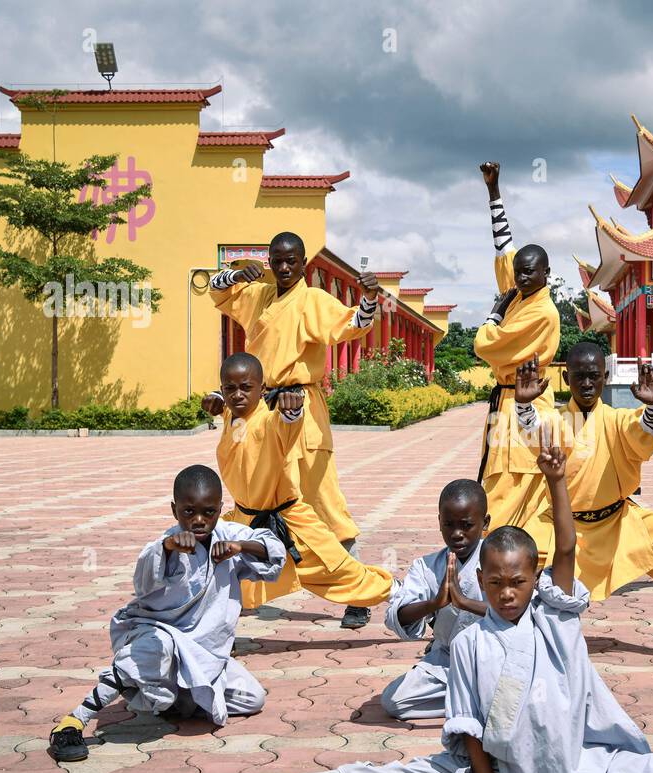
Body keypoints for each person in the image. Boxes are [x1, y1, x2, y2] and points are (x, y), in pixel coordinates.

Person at [202, 432, 653, 773]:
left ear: (535, 579)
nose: (508, 593)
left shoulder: (556, 618)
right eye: (498, 583)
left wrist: (558, 482)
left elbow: (567, 549)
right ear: (484, 573)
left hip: (583, 771)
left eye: (519, 582)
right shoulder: (473, 641)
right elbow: (471, 730)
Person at [511, 343, 653, 657]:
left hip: (621, 522)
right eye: (579, 376)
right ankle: (511, 636)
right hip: (562, 528)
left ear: (605, 377)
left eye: (594, 376)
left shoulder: (618, 419)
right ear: (567, 379)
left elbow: (642, 434)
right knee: (513, 562)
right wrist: (524, 406)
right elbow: (534, 433)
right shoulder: (557, 420)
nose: (587, 383)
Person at [48, 465, 285, 762]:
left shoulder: (228, 534)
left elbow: (273, 548)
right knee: (153, 648)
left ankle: (172, 694)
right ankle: (73, 722)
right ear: (175, 510)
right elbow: (144, 580)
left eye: (208, 512)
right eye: (189, 512)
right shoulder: (162, 545)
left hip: (204, 652)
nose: (199, 521)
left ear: (220, 509)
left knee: (253, 698)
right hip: (158, 635)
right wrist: (170, 548)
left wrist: (240, 547)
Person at [206, 232, 381, 629]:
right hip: (259, 409)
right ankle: (243, 589)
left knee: (324, 502)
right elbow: (215, 294)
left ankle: (357, 594)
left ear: (304, 263)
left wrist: (369, 297)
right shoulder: (258, 296)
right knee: (255, 496)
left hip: (301, 407)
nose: (284, 268)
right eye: (277, 261)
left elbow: (355, 324)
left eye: (292, 261)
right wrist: (233, 276)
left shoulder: (314, 300)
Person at [214, 352, 393, 615]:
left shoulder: (269, 420)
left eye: (246, 388)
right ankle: (213, 634)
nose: (238, 394)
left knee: (344, 575)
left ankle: (405, 595)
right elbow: (236, 431)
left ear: (262, 390)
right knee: (223, 575)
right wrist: (220, 407)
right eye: (230, 389)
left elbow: (285, 425)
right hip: (246, 523)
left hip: (291, 527)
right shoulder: (236, 418)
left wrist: (292, 411)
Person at [473, 161, 561, 563]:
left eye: (531, 272)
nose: (522, 277)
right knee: (502, 482)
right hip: (505, 402)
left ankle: (494, 568)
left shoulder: (541, 312)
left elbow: (487, 346)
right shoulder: (520, 297)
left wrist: (493, 314)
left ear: (547, 273)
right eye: (520, 273)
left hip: (524, 402)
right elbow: (503, 246)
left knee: (511, 488)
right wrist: (494, 192)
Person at [380, 479, 490, 720]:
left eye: (466, 525)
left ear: (485, 523)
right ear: (439, 522)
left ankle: (477, 697)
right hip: (447, 661)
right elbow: (396, 615)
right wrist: (434, 603)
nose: (456, 534)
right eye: (448, 525)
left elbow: (521, 612)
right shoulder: (427, 566)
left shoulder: (500, 559)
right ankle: (476, 700)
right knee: (394, 701)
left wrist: (463, 601)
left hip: (493, 658)